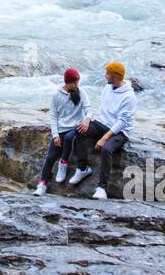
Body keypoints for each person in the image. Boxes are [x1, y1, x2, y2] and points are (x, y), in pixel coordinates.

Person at [71, 60, 136, 200]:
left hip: (121, 131)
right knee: (79, 130)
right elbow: (102, 111)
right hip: (103, 123)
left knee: (106, 148)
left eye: (108, 74)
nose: (105, 76)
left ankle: (102, 188)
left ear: (115, 76)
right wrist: (88, 120)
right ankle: (82, 168)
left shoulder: (129, 97)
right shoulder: (108, 88)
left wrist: (104, 138)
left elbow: (122, 122)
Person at [33, 69, 90, 197]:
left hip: (76, 127)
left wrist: (86, 120)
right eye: (73, 83)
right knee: (50, 157)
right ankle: (42, 185)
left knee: (70, 137)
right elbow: (53, 116)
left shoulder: (81, 93)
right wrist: (55, 135)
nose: (76, 85)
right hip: (61, 129)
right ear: (66, 82)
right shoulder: (56, 95)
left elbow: (89, 109)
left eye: (77, 82)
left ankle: (63, 163)